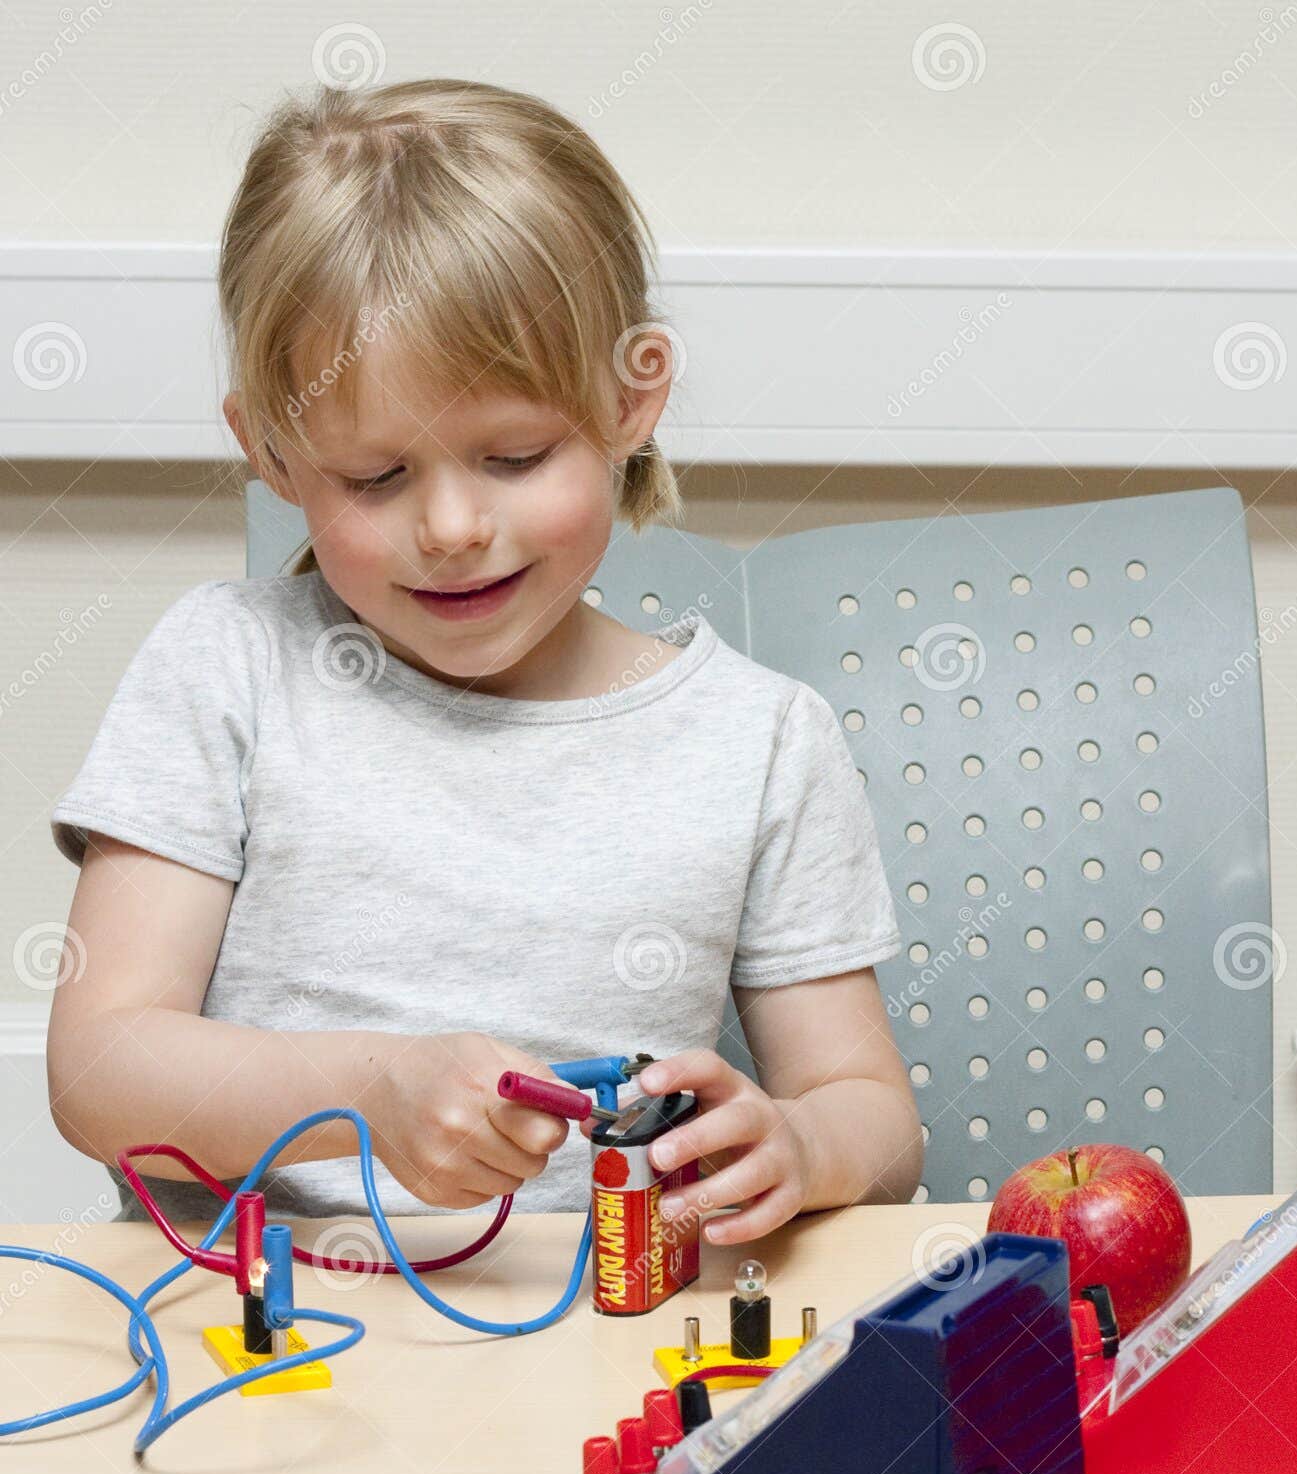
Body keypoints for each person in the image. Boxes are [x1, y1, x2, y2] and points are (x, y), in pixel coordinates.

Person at [46, 78, 921, 1249]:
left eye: (513, 455)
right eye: (376, 477)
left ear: (629, 398)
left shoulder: (763, 741)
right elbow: (99, 1067)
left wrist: (804, 1147)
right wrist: (366, 1093)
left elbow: (874, 1114)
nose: (452, 527)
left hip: (606, 1342)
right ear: (269, 446)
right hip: (264, 1345)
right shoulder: (225, 670)